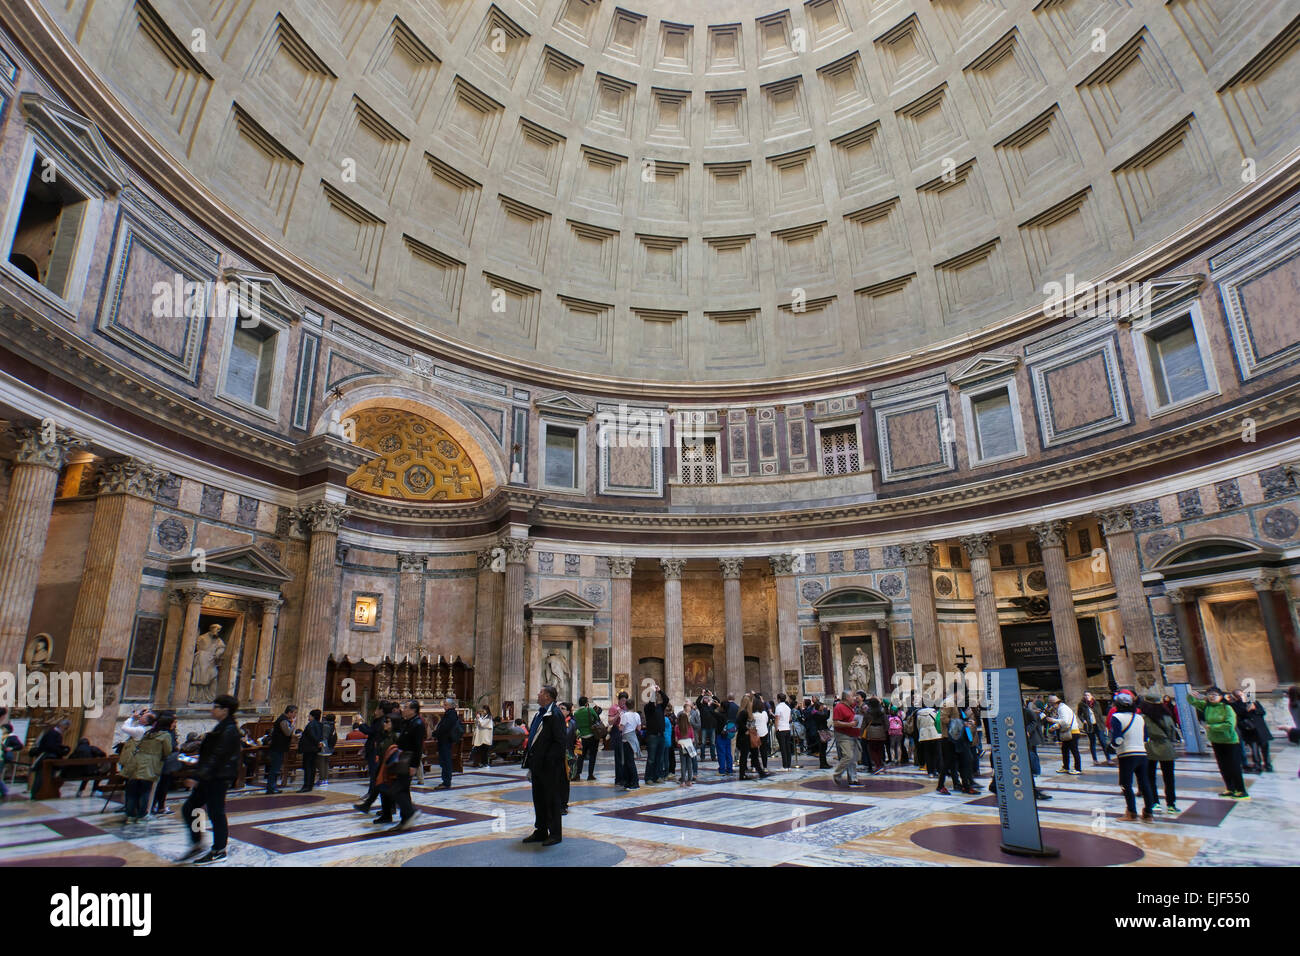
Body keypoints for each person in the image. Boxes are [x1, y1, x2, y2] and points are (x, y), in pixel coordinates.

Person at [177, 694, 242, 865]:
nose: (212, 710)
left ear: (224, 710)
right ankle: (197, 842)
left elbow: (217, 756)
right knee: (190, 808)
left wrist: (197, 776)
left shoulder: (229, 730)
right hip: (210, 776)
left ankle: (219, 850)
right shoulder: (222, 727)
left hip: (217, 777)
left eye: (215, 707)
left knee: (216, 813)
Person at [522, 685, 567, 846]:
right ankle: (541, 830)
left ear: (548, 696)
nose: (538, 694)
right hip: (537, 764)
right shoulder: (540, 714)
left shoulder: (555, 715)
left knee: (552, 799)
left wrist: (549, 760)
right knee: (539, 798)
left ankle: (555, 833)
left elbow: (560, 742)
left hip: (549, 766)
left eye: (540, 692)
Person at [1187, 687, 1248, 799]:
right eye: (1209, 694)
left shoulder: (1227, 707)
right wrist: (1191, 695)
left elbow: (1230, 725)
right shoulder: (1207, 707)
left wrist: (1212, 727)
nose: (1212, 696)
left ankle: (1241, 790)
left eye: (1214, 694)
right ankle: (1229, 788)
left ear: (1220, 696)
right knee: (1223, 766)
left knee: (1234, 766)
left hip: (1229, 740)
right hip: (1216, 740)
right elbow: (1193, 702)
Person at [1109, 690, 1156, 822]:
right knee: (1145, 783)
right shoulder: (1139, 717)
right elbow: (1146, 738)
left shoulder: (1116, 717)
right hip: (1142, 754)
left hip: (1127, 755)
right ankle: (1148, 813)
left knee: (1126, 784)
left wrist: (1112, 746)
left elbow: (1117, 739)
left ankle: (1131, 812)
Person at [120, 714, 173, 825]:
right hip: (150, 764)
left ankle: (130, 815)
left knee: (132, 790)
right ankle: (141, 815)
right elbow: (167, 751)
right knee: (145, 790)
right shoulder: (165, 735)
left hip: (136, 762)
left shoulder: (147, 732)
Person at [390, 699, 425, 830]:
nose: (403, 709)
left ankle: (411, 812)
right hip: (402, 758)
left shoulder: (418, 724)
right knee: (403, 789)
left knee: (396, 789)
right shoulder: (407, 722)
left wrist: (414, 766)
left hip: (409, 760)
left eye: (406, 707)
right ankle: (405, 820)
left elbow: (418, 747)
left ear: (413, 710)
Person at [1140, 694, 1178, 813]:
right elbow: (1172, 732)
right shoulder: (1166, 715)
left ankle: (1154, 802)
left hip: (1150, 748)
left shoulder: (1143, 718)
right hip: (1166, 747)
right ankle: (1171, 804)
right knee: (1169, 778)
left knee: (1150, 777)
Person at [29, 718, 70, 797]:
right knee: (41, 777)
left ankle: (41, 793)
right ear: (62, 725)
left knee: (45, 777)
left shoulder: (53, 733)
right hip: (47, 758)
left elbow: (52, 745)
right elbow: (50, 746)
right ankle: (37, 793)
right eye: (66, 728)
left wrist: (62, 748)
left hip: (49, 758)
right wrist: (61, 750)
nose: (66, 730)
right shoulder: (53, 733)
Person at [431, 699, 462, 790]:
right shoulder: (450, 714)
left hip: (446, 740)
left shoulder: (451, 714)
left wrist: (435, 734)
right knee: (444, 760)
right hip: (444, 740)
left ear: (450, 706)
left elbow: (445, 727)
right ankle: (445, 780)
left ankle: (446, 782)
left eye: (445, 705)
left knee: (446, 760)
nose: (444, 707)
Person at [1047, 696, 1083, 774]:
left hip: (1072, 732)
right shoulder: (1062, 708)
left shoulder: (1062, 709)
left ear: (1055, 704)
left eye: (1052, 705)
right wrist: (1054, 727)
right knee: (1065, 750)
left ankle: (1078, 768)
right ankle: (1066, 767)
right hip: (1070, 731)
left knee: (1074, 751)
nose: (1052, 707)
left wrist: (1053, 720)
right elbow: (1064, 722)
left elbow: (1065, 722)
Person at [265, 705, 295, 794]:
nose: (295, 715)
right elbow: (287, 732)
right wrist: (293, 724)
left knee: (276, 768)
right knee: (275, 768)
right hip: (277, 747)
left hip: (279, 747)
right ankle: (271, 788)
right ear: (289, 712)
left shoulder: (284, 720)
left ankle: (272, 787)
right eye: (294, 713)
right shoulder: (283, 720)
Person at [831, 691, 859, 786]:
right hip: (844, 735)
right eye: (852, 696)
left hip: (853, 734)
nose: (854, 698)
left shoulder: (850, 706)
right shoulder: (839, 707)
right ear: (847, 698)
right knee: (848, 756)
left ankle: (853, 778)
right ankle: (837, 774)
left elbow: (861, 703)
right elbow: (835, 723)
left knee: (854, 758)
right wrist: (849, 724)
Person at [1078, 692, 1114, 764]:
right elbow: (1079, 714)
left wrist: (1104, 726)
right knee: (1092, 742)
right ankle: (1095, 759)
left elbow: (1100, 715)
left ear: (1091, 696)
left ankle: (1108, 758)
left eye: (1088, 695)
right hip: (1089, 725)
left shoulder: (1096, 703)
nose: (1087, 696)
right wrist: (1083, 721)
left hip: (1098, 725)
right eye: (1085, 695)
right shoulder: (1081, 704)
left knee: (1103, 741)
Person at [1238, 697, 1272, 773]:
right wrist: (1246, 711)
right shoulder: (1240, 705)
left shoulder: (1255, 703)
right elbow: (1239, 716)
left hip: (1261, 730)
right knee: (1255, 750)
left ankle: (1268, 765)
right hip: (1250, 731)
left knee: (1265, 749)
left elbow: (1262, 712)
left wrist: (1254, 709)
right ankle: (1257, 765)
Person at [571, 697, 601, 780]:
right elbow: (597, 718)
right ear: (586, 703)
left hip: (582, 737)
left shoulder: (576, 713)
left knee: (581, 756)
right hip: (592, 736)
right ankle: (590, 774)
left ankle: (577, 774)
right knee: (592, 756)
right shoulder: (590, 710)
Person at [616, 692, 641, 790]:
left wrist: (620, 725)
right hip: (633, 738)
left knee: (628, 762)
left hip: (626, 740)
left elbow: (621, 729)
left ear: (626, 705)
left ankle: (634, 782)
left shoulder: (625, 716)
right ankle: (630, 781)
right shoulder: (637, 715)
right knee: (630, 761)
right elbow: (639, 728)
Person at [298, 709, 325, 792]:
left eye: (309, 716)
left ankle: (307, 785)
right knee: (312, 767)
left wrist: (317, 742)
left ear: (312, 716)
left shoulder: (311, 725)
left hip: (309, 748)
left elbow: (312, 735)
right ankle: (310, 784)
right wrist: (319, 742)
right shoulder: (320, 724)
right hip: (315, 749)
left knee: (308, 767)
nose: (308, 717)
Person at [916, 699, 941, 776]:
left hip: (924, 736)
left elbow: (918, 726)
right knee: (937, 753)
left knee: (927, 754)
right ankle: (937, 770)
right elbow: (938, 722)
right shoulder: (935, 712)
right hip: (935, 734)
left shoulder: (919, 714)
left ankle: (930, 772)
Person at [643, 693, 664, 784]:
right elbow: (651, 704)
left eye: (656, 697)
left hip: (660, 735)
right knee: (651, 758)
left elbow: (666, 699)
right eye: (654, 698)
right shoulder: (648, 708)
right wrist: (652, 692)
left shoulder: (660, 707)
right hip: (652, 736)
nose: (655, 699)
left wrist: (660, 691)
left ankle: (657, 776)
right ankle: (648, 777)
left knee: (659, 758)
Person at [714, 696, 735, 775]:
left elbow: (712, 712)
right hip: (728, 735)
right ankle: (729, 769)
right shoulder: (729, 714)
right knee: (728, 753)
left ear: (722, 707)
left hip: (720, 736)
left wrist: (712, 705)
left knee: (721, 753)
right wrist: (721, 705)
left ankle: (722, 770)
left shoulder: (719, 715)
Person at [677, 706, 697, 785]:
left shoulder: (677, 727)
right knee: (689, 763)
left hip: (681, 747)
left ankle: (682, 781)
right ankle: (689, 781)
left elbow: (676, 739)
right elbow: (693, 739)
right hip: (689, 746)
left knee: (683, 764)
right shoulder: (690, 727)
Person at [751, 695, 770, 774]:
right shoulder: (764, 713)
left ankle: (753, 767)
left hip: (755, 734)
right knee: (763, 751)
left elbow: (751, 724)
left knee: (754, 751)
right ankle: (765, 767)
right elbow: (766, 721)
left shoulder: (752, 715)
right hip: (764, 732)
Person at [774, 693, 794, 770]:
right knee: (787, 748)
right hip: (787, 728)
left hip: (781, 729)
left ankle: (784, 766)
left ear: (779, 699)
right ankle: (788, 765)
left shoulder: (778, 707)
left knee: (783, 748)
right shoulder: (787, 707)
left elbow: (777, 719)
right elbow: (790, 719)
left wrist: (776, 729)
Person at [696, 691, 717, 761]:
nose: (706, 699)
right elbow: (697, 702)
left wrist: (712, 695)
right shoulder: (701, 706)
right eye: (704, 698)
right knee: (703, 743)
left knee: (713, 743)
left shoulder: (712, 706)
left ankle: (713, 757)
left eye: (707, 698)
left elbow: (718, 701)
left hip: (712, 727)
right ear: (703, 700)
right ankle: (702, 757)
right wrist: (702, 694)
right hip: (704, 727)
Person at [317, 715, 337, 788]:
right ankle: (325, 779)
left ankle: (322, 779)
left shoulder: (326, 726)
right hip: (330, 746)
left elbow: (324, 737)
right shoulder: (333, 725)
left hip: (324, 746)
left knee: (322, 763)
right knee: (326, 763)